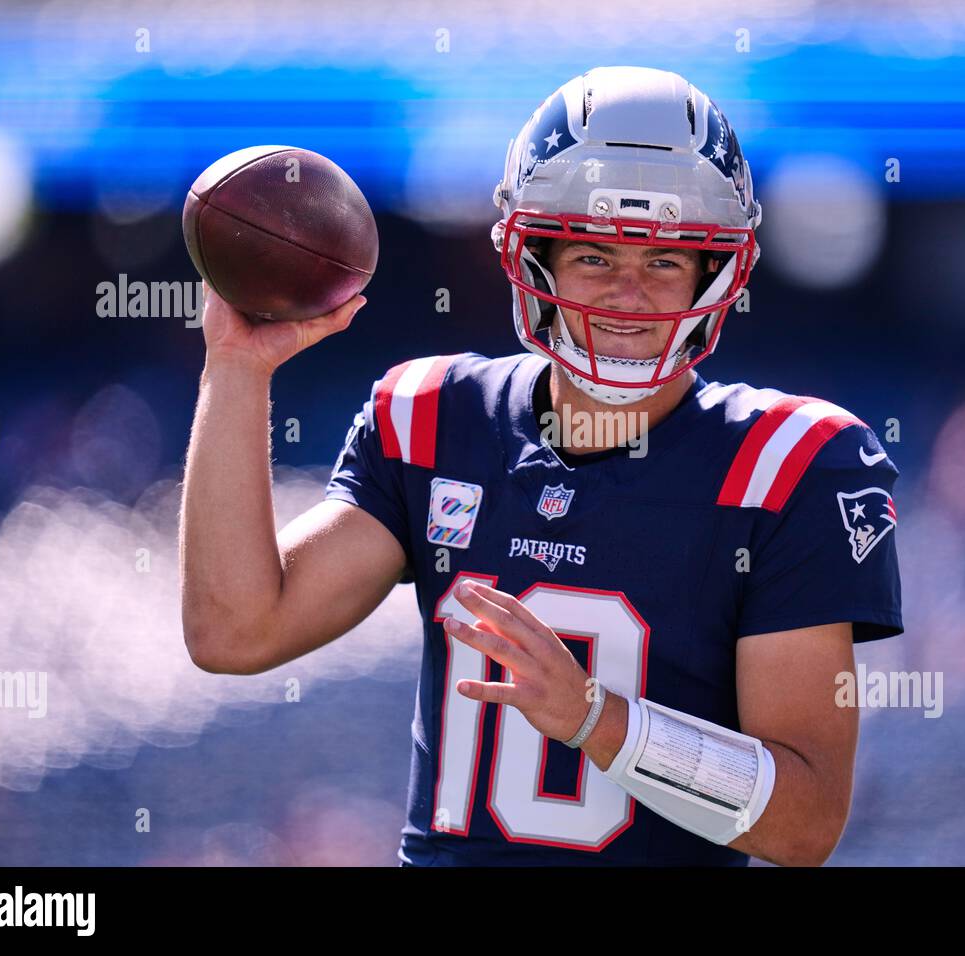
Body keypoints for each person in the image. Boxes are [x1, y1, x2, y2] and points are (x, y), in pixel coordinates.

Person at [180, 66, 903, 867]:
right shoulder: (435, 416)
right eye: (593, 256)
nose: (628, 295)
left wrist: (596, 719)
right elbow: (235, 632)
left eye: (664, 261)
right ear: (537, 264)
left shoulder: (788, 464)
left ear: (716, 272)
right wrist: (236, 371)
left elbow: (805, 824)